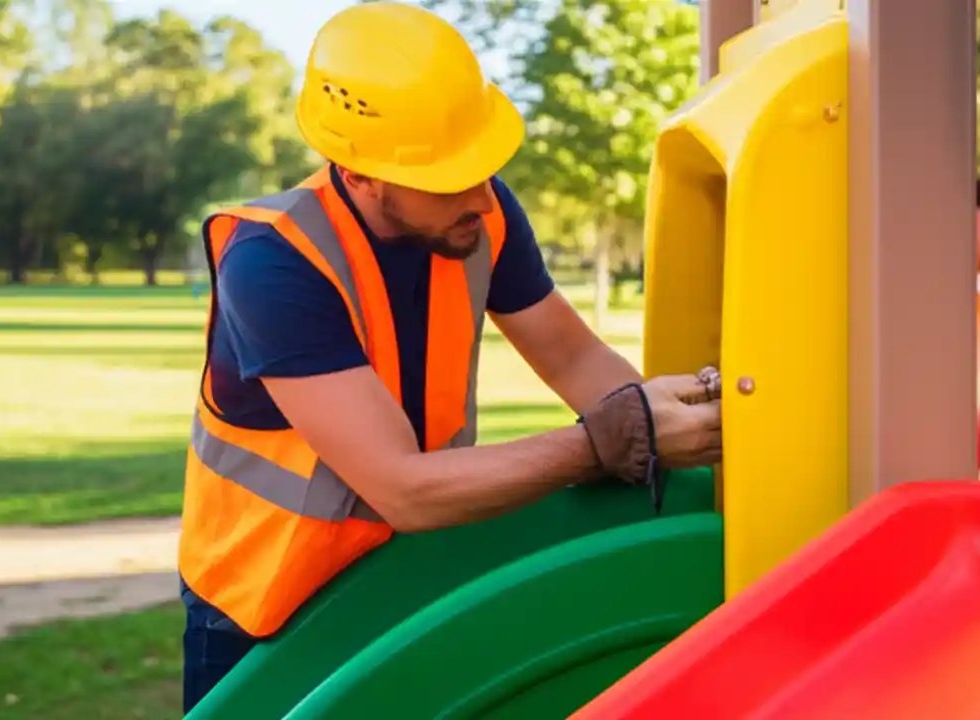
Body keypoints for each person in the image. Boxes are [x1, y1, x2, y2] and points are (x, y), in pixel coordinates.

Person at [177, 1, 724, 713]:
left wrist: (681, 432)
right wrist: (611, 441)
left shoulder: (480, 213)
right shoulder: (274, 262)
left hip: (409, 577)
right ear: (361, 173)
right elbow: (401, 489)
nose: (480, 193)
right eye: (448, 176)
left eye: (483, 165)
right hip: (266, 610)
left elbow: (572, 357)